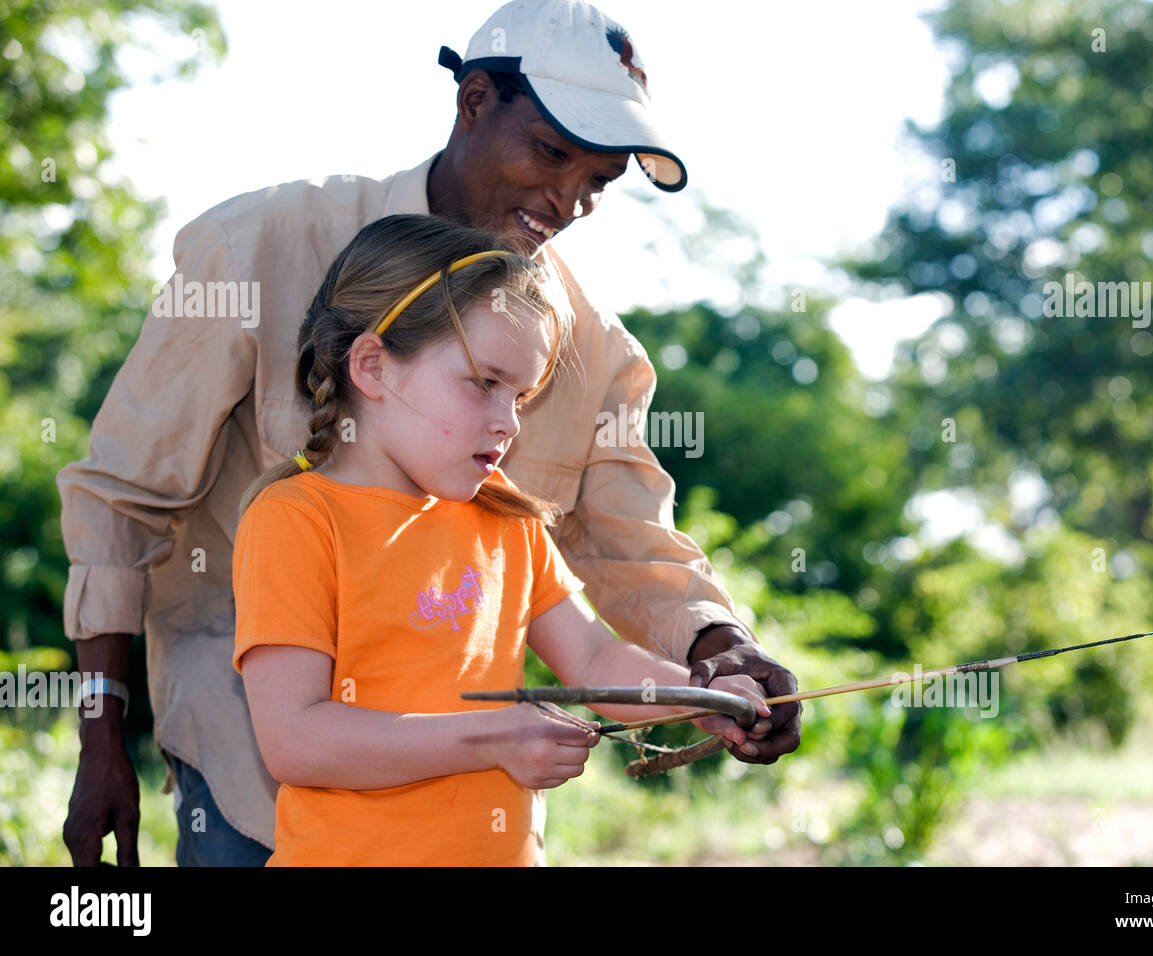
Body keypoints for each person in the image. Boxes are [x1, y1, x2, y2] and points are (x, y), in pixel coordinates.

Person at [59, 0, 800, 868]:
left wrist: (720, 665)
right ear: (475, 101)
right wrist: (99, 738)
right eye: (553, 153)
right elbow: (120, 500)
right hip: (245, 776)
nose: (569, 199)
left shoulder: (592, 350)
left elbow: (628, 551)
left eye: (599, 181)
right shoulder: (252, 250)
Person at [232, 213, 768, 865]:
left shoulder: (508, 524)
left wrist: (694, 695)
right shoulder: (298, 518)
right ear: (373, 367)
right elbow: (296, 738)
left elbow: (596, 664)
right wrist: (491, 738)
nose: (509, 422)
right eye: (485, 383)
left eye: (522, 395)